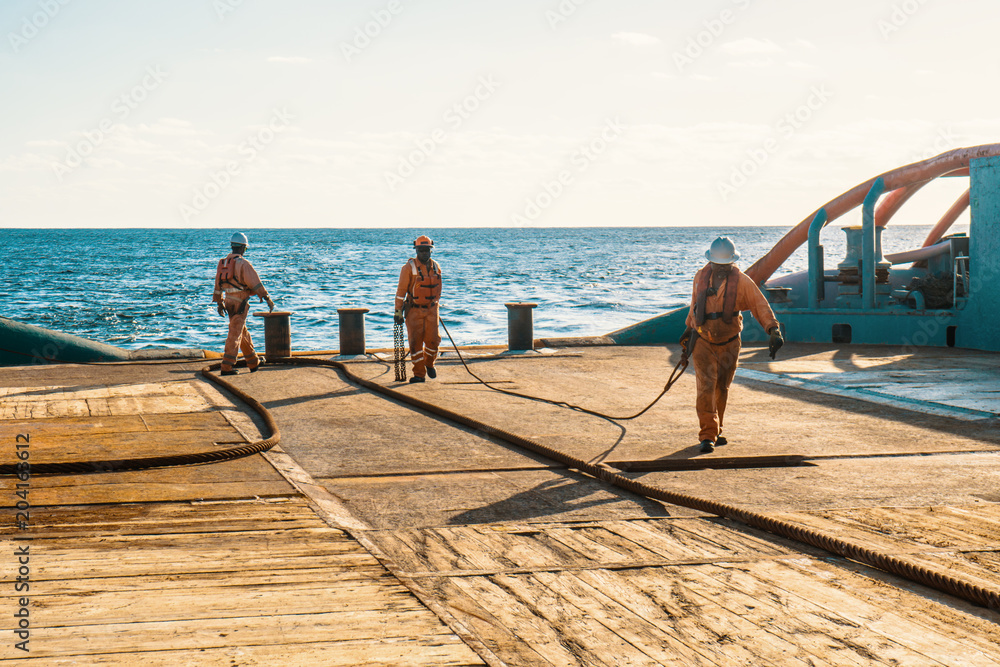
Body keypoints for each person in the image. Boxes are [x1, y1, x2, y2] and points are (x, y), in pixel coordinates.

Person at [680, 237, 783, 453]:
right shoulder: (700, 277)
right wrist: (688, 331)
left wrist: (773, 330)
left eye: (725, 266)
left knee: (722, 388)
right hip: (703, 342)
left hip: (730, 343)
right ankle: (707, 435)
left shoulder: (742, 281)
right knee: (706, 387)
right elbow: (694, 305)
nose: (721, 269)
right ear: (711, 263)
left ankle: (716, 430)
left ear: (731, 264)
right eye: (717, 265)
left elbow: (759, 304)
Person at [212, 232, 274, 376]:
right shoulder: (243, 264)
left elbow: (217, 285)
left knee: (241, 332)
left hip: (228, 301)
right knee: (235, 334)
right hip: (240, 303)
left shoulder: (223, 263)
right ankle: (226, 366)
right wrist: (267, 298)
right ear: (243, 248)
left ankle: (253, 362)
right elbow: (256, 283)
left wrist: (219, 303)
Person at [394, 235, 442, 384]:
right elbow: (401, 292)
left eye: (427, 250)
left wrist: (434, 305)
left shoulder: (436, 267)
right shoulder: (408, 268)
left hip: (432, 310)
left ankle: (429, 363)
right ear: (416, 250)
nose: (424, 253)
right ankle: (419, 374)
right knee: (415, 343)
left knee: (433, 341)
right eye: (421, 250)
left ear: (430, 250)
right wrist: (398, 311)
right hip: (414, 310)